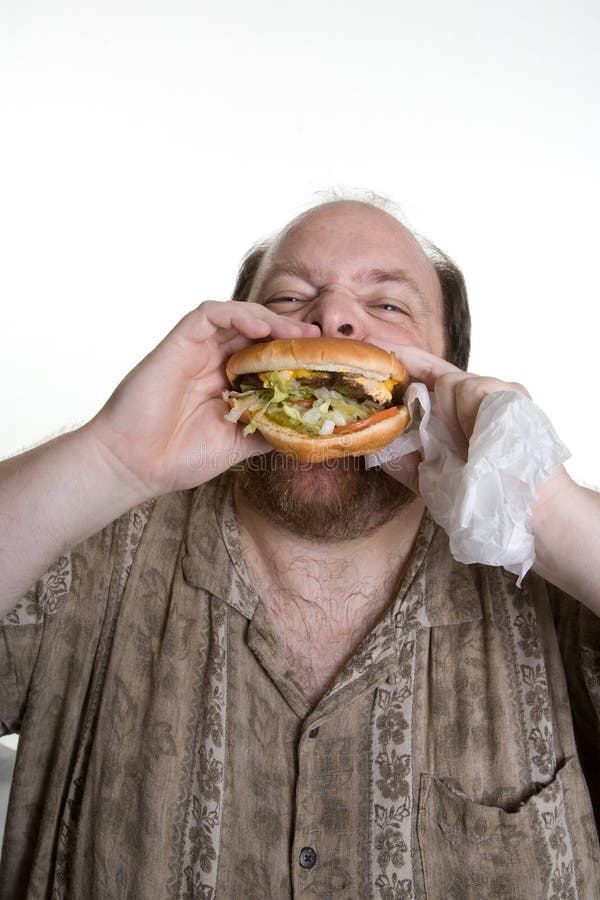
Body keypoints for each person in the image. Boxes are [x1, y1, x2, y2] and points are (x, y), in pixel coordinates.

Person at [0, 198, 599, 899]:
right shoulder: (93, 547)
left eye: (389, 305)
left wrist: (548, 508)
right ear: (238, 355)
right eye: (289, 297)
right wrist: (109, 458)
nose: (334, 317)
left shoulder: (552, 582)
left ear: (445, 374)